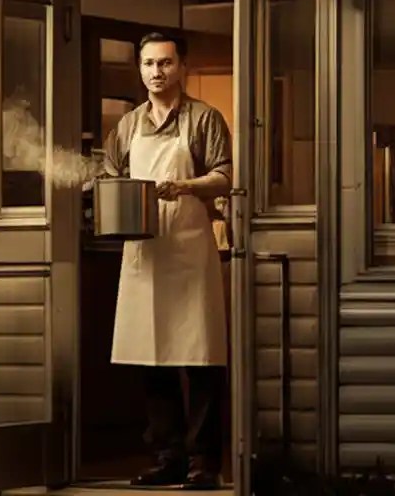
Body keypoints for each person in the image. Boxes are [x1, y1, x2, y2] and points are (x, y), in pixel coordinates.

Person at [101, 31, 231, 489]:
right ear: (140, 69)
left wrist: (182, 187)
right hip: (143, 252)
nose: (157, 72)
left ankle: (203, 463)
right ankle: (167, 456)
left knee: (199, 359)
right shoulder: (128, 126)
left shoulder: (204, 118)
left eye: (165, 63)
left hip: (189, 250)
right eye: (149, 64)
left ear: (182, 68)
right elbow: (109, 178)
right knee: (148, 356)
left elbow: (225, 176)